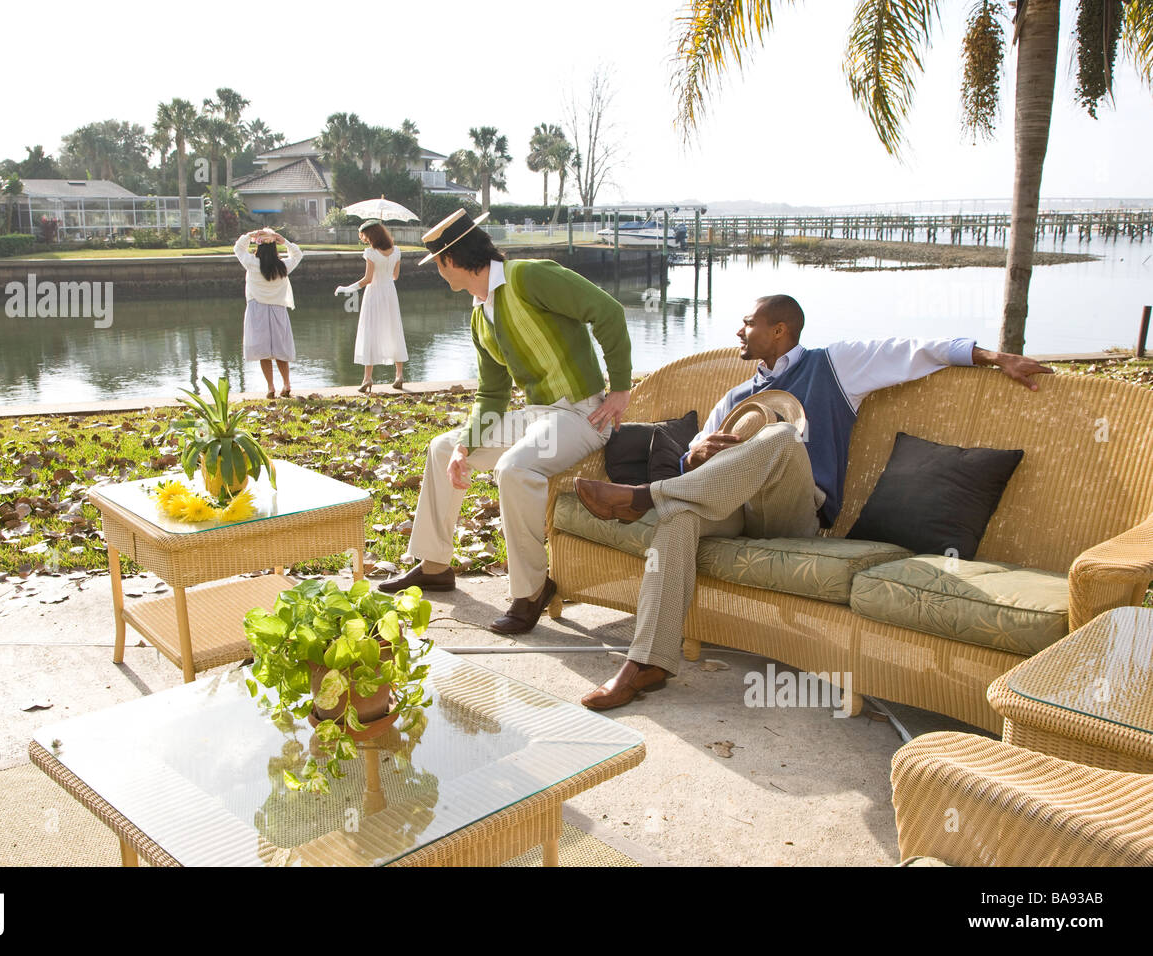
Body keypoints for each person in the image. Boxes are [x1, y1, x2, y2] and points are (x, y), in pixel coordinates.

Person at [573, 293, 1054, 710]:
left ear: (779, 329)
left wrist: (993, 357)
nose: (738, 330)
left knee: (782, 435)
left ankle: (642, 498)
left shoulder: (835, 365)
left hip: (796, 513)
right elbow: (697, 468)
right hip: (735, 512)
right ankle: (646, 664)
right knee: (678, 517)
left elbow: (913, 351)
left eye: (748, 323)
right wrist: (693, 455)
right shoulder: (736, 396)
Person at [377, 208, 633, 635]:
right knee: (443, 447)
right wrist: (466, 445)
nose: (440, 274)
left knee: (515, 467)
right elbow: (492, 395)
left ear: (449, 260)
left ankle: (532, 590)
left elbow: (607, 311)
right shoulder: (480, 316)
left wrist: (621, 388)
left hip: (583, 415)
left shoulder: (531, 276)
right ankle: (436, 565)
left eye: (437, 265)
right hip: (538, 417)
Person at [334, 220, 408, 393]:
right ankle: (399, 375)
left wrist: (348, 288)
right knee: (394, 329)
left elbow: (368, 279)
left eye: (365, 236)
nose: (364, 239)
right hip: (390, 292)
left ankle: (367, 378)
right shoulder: (396, 251)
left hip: (374, 294)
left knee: (370, 331)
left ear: (372, 235)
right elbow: (395, 276)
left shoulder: (370, 253)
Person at [234, 228, 303, 399]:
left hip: (257, 309)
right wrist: (283, 240)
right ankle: (286, 384)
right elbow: (297, 255)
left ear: (258, 248)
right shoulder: (282, 267)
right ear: (274, 249)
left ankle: (271, 387)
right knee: (280, 350)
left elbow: (238, 248)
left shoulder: (252, 263)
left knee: (263, 352)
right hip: (278, 309)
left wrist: (250, 235)